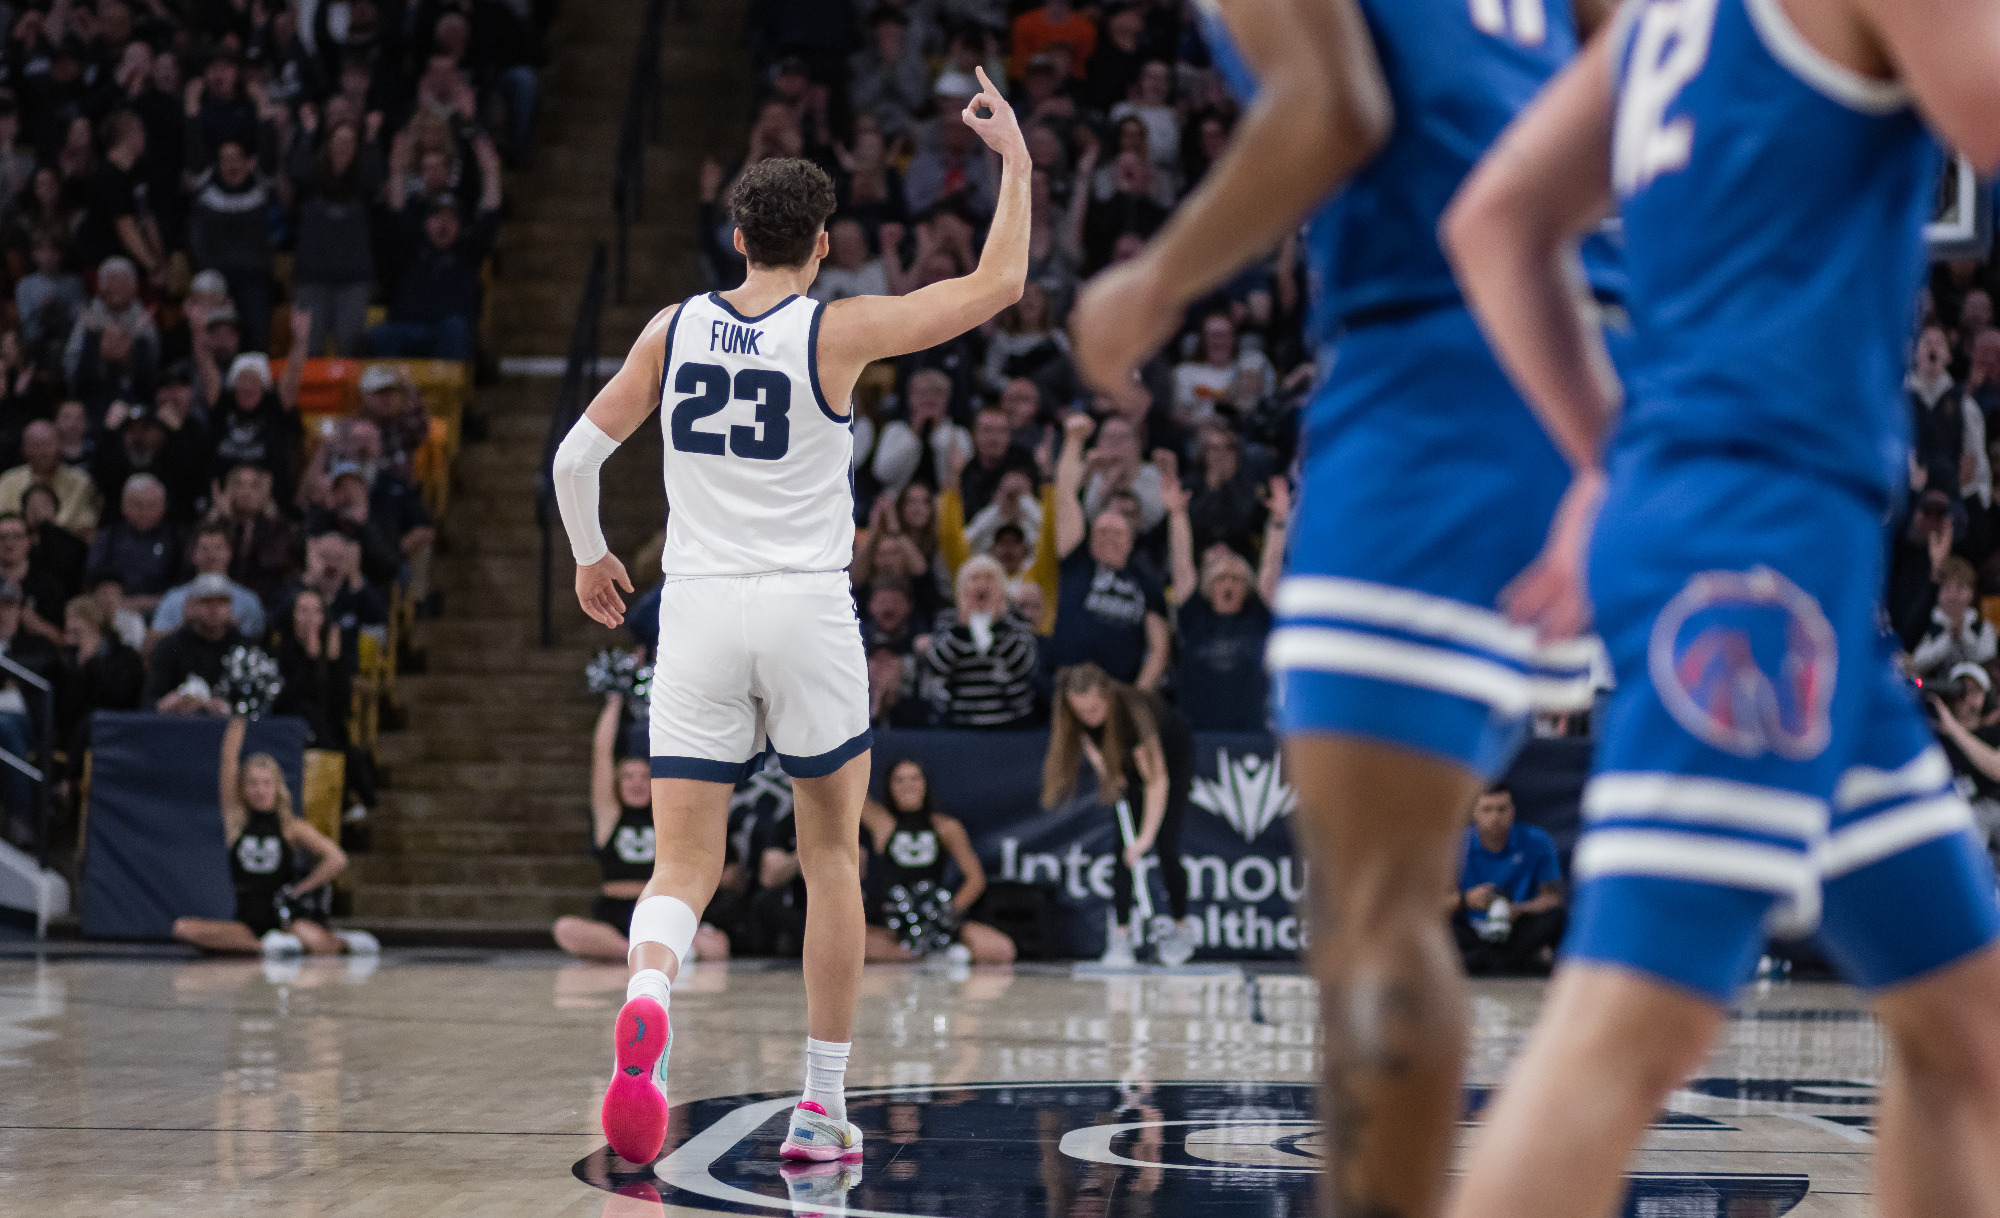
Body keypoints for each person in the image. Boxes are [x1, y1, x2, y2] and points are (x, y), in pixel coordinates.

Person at [1438, 1, 2000, 1214]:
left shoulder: (1666, 15)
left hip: (1747, 533)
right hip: (1759, 547)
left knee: (1964, 1025)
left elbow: (1494, 220)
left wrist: (1610, 462)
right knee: (1627, 1029)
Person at [1065, 0, 1607, 1212]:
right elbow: (1623, 59)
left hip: (1442, 360)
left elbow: (1331, 108)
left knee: (1371, 908)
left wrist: (1152, 282)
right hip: (1589, 343)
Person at [549, 67, 1030, 1168]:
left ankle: (649, 995)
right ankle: (820, 1110)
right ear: (819, 245)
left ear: (735, 238)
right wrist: (1015, 161)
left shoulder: (672, 330)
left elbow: (576, 457)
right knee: (830, 860)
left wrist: (590, 557)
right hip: (807, 610)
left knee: (682, 867)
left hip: (697, 611)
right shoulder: (838, 329)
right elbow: (998, 283)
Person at [553, 694, 734, 964]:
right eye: (628, 777)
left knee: (719, 946)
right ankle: (641, 952)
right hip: (614, 914)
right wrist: (614, 700)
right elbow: (601, 755)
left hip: (659, 908)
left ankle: (648, 951)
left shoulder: (665, 817)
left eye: (644, 777)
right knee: (565, 929)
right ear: (618, 783)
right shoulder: (609, 817)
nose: (636, 783)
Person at [171, 718, 373, 957]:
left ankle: (342, 941)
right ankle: (266, 947)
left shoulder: (290, 826)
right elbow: (228, 764)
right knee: (182, 928)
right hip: (247, 923)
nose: (260, 790)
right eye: (253, 784)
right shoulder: (236, 822)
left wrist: (301, 889)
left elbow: (336, 858)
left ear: (277, 787)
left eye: (266, 783)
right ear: (243, 789)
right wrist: (237, 719)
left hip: (284, 919)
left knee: (315, 941)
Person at [1042, 662, 1197, 967]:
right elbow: (1091, 740)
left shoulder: (1132, 714)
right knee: (1121, 851)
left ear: (1107, 696)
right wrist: (1108, 771)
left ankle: (1180, 928)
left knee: (1165, 845)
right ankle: (1121, 936)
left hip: (1170, 758)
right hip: (1127, 756)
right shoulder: (1079, 715)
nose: (1088, 716)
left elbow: (1156, 781)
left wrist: (1144, 839)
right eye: (1081, 711)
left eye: (1094, 709)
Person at [861, 758, 1015, 964]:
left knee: (1001, 949)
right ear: (889, 787)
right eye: (899, 780)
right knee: (855, 945)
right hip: (892, 927)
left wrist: (946, 913)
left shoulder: (946, 827)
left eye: (915, 778)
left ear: (925, 784)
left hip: (937, 919)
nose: (908, 785)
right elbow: (854, 793)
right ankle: (923, 956)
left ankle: (940, 953)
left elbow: (975, 879)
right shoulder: (882, 823)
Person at [1164, 472, 1283, 732]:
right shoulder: (1194, 616)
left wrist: (1278, 521)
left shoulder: (1257, 618)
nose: (1228, 584)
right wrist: (1177, 514)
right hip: (1196, 736)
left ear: (1246, 587)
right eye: (1221, 579)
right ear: (1208, 586)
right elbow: (1182, 565)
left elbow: (1271, 567)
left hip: (1250, 737)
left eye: (1236, 579)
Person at [1449, 785, 1565, 976]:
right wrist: (1466, 900)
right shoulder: (1455, 845)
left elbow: (1553, 898)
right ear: (1474, 813)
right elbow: (1433, 903)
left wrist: (1519, 909)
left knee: (1556, 917)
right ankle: (1512, 963)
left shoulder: (1537, 841)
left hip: (1516, 928)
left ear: (1513, 811)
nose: (1495, 817)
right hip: (1471, 929)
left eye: (1501, 809)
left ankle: (1485, 963)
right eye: (1487, 809)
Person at [917, 555, 1039, 729]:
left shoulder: (1016, 619)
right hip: (959, 722)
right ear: (962, 587)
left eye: (989, 578)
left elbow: (1024, 665)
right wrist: (962, 628)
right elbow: (937, 666)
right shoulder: (947, 621)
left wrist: (997, 625)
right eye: (974, 578)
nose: (982, 584)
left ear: (1001, 586)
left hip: (1011, 722)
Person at [142, 574, 245, 713]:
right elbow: (149, 703)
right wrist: (173, 702)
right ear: (190, 605)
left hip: (229, 725)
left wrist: (224, 707)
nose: (214, 608)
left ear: (230, 607)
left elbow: (255, 707)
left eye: (221, 601)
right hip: (179, 722)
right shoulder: (170, 646)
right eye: (206, 601)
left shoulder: (242, 646)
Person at [1911, 555, 1996, 680]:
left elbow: (1985, 660)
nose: (1953, 596)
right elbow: (1916, 662)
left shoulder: (1983, 628)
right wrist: (1948, 638)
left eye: (1960, 588)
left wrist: (1963, 634)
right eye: (1946, 588)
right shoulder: (1924, 624)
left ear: (1971, 592)